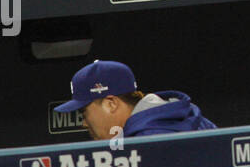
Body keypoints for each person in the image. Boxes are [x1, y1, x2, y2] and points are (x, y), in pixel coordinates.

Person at [53, 59, 216, 141]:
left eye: (84, 111)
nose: (84, 123)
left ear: (111, 104)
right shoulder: (197, 121)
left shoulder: (145, 145)